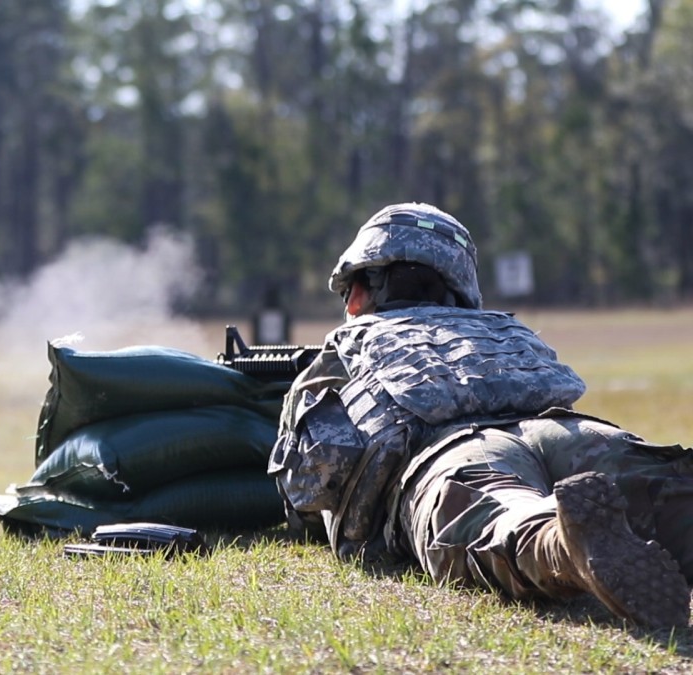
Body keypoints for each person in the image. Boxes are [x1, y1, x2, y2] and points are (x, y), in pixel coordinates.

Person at [268, 202, 693, 628]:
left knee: (501, 515)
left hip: (455, 453)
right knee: (662, 493)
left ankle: (565, 544)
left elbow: (310, 484)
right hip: (567, 433)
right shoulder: (505, 328)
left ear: (360, 290)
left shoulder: (349, 346)